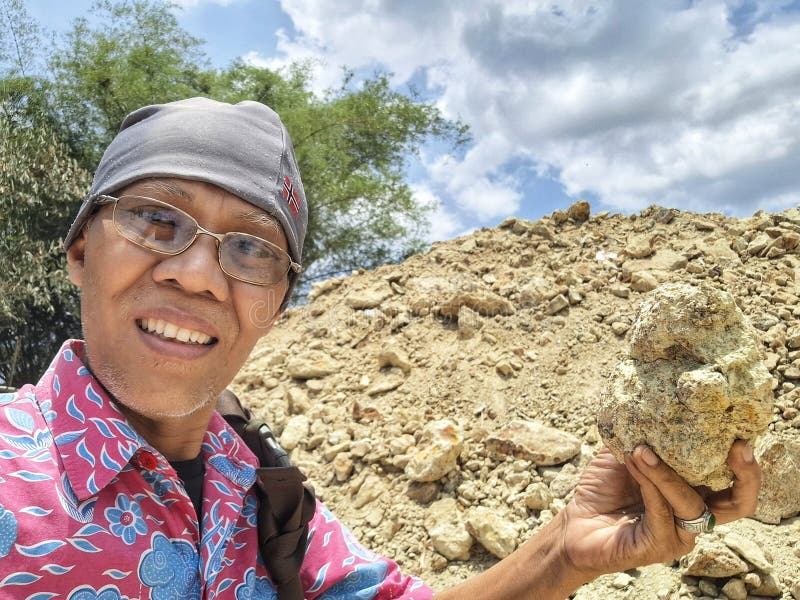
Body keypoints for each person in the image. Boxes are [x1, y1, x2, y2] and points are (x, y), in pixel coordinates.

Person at [0, 97, 761, 600]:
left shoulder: (261, 490)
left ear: (277, 305)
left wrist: (566, 549)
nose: (198, 274)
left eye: (250, 249)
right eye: (156, 221)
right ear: (78, 249)